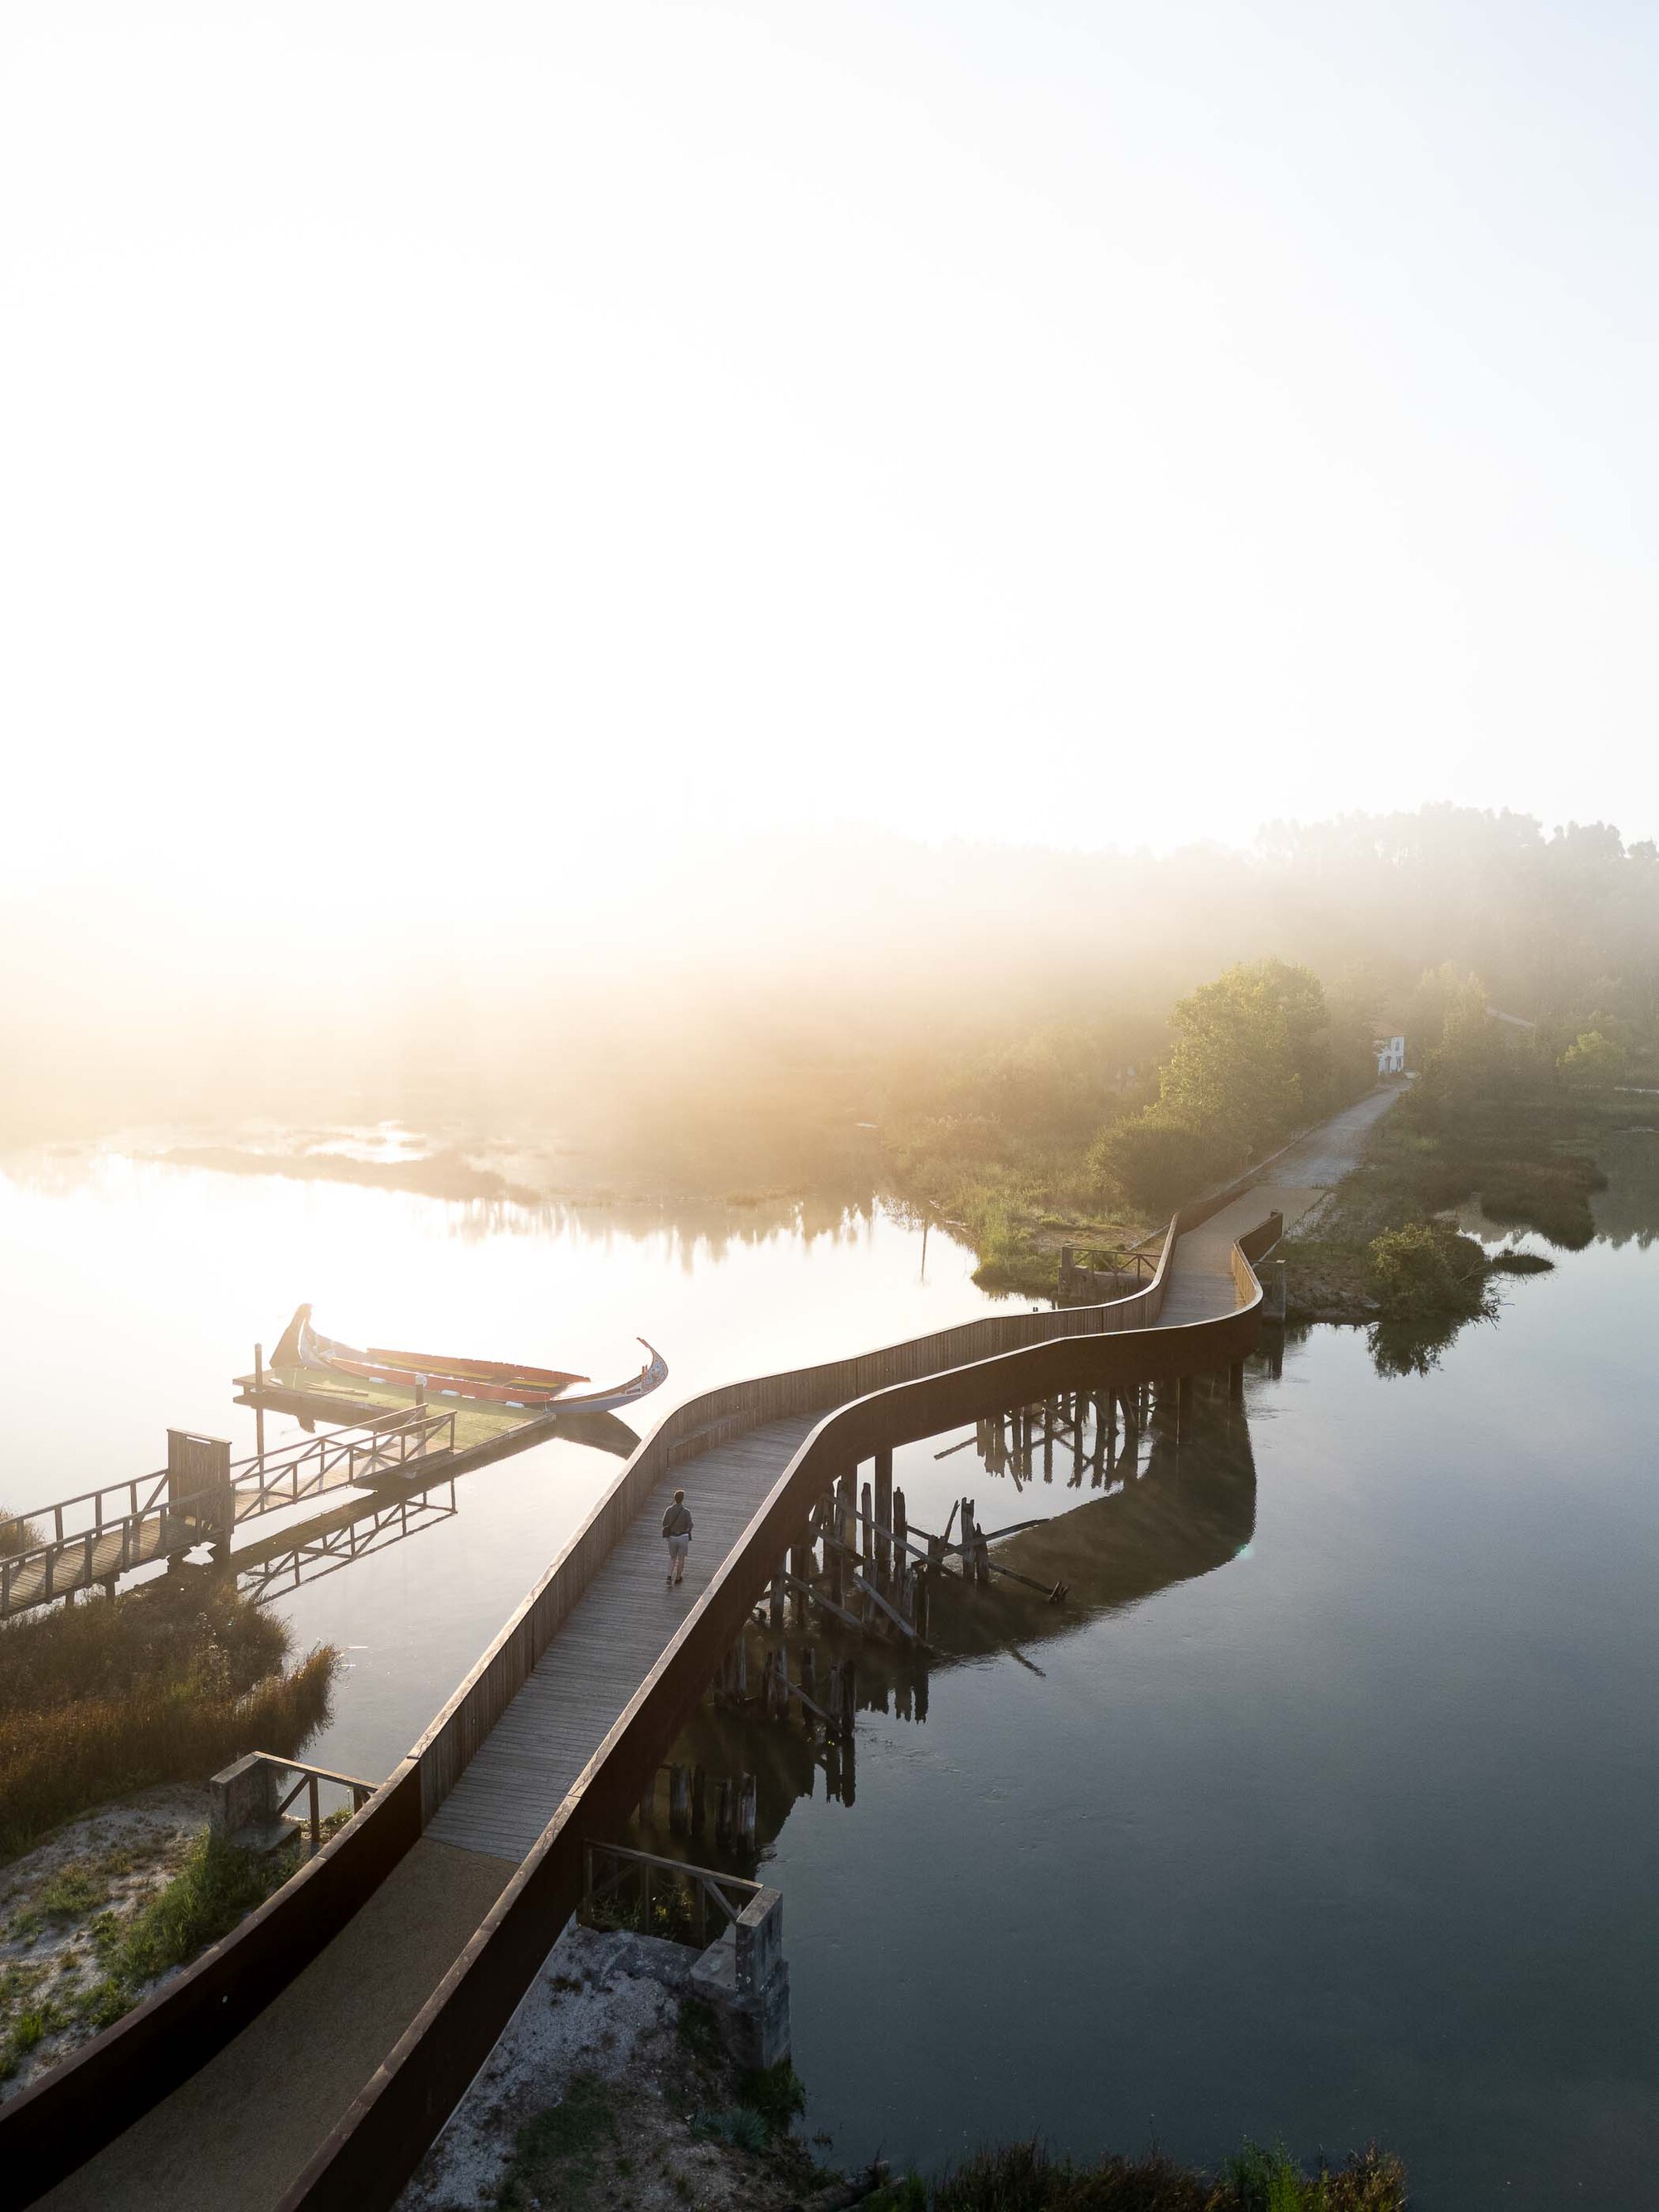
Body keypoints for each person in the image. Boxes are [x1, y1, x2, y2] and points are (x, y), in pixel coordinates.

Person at [662, 1489, 693, 1587]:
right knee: (681, 1558)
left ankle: (669, 1576)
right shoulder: (686, 1512)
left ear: (674, 1499)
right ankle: (678, 1577)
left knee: (672, 1558)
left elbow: (664, 1523)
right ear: (682, 1499)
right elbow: (690, 1525)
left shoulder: (669, 1510)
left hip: (672, 1537)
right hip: (683, 1537)